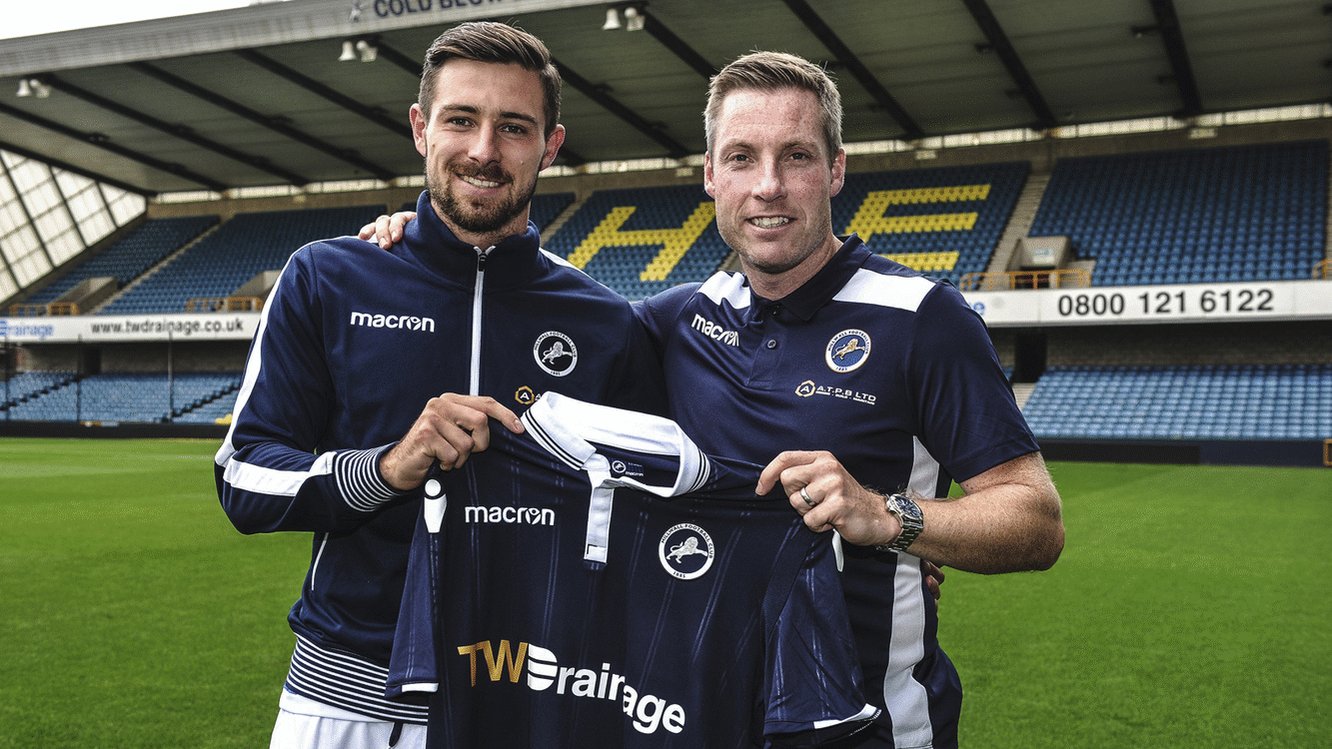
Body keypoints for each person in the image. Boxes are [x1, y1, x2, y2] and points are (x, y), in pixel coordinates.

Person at [366, 50, 1063, 748]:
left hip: (871, 724)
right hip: (697, 714)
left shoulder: (922, 318)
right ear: (709, 176)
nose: (768, 186)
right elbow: (537, 330)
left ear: (837, 169)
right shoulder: (672, 322)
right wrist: (430, 237)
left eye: (795, 156)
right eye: (740, 158)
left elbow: (1036, 521)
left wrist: (889, 517)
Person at [214, 22, 663, 749]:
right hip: (343, 701)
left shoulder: (609, 323)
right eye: (462, 120)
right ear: (422, 128)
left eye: (514, 127)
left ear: (550, 145)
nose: (484, 151)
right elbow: (243, 478)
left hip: (534, 700)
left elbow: (653, 513)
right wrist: (388, 467)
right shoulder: (326, 277)